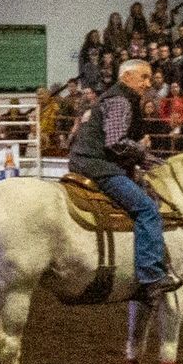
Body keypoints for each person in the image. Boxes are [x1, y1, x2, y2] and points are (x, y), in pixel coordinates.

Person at [67, 58, 175, 300]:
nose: (148, 83)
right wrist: (141, 149)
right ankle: (151, 275)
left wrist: (158, 164)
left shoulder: (112, 98)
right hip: (99, 167)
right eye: (143, 77)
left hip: (85, 161)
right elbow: (115, 143)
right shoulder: (121, 101)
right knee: (147, 208)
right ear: (126, 77)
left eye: (149, 78)